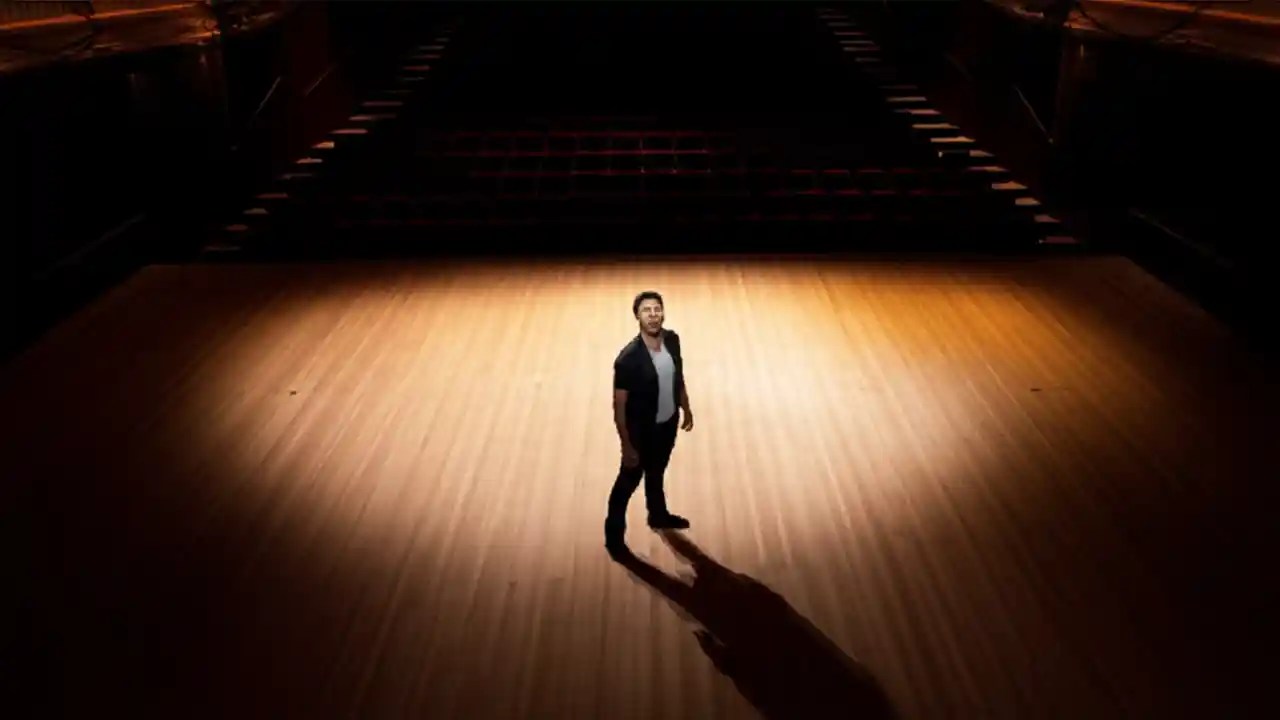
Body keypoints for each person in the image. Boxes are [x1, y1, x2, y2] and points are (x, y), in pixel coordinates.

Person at [605, 290, 693, 554]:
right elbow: (619, 406)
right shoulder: (628, 359)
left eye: (657, 309)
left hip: (667, 424)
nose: (653, 315)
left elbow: (678, 377)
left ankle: (658, 515)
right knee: (627, 483)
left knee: (656, 472)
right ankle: (614, 538)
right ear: (637, 316)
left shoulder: (673, 340)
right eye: (647, 310)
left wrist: (686, 408)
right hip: (641, 433)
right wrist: (627, 445)